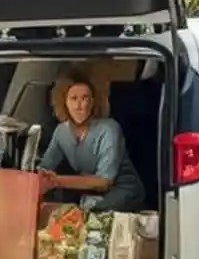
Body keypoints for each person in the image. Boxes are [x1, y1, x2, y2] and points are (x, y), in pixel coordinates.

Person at [36, 73, 145, 212]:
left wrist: (57, 181)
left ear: (93, 102)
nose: (79, 105)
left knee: (89, 215)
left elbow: (104, 182)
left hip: (123, 191)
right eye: (73, 99)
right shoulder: (61, 132)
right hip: (92, 194)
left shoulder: (109, 129)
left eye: (85, 98)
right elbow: (45, 167)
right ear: (64, 102)